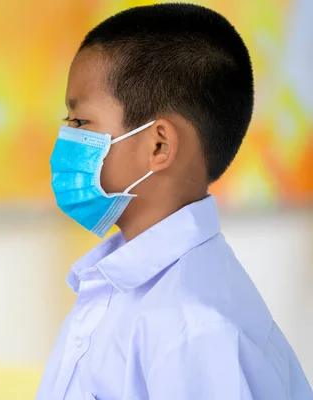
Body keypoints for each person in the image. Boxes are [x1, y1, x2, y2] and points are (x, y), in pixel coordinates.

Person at [38, 3, 313, 399]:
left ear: (159, 145)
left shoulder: (192, 329)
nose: (66, 137)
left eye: (79, 122)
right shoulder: (120, 287)